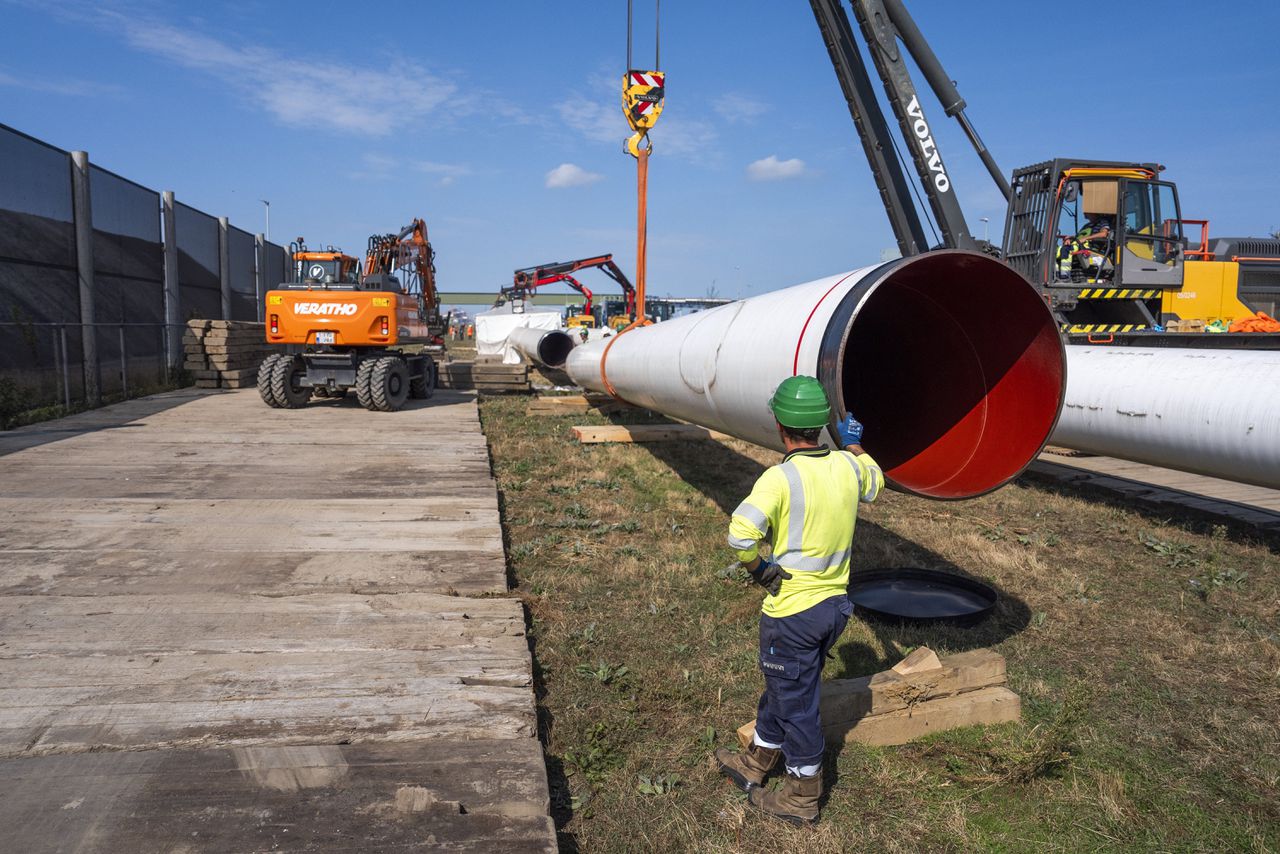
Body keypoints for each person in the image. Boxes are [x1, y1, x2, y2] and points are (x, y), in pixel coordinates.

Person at [714, 375, 883, 826]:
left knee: (797, 706)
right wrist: (854, 446)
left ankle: (802, 797)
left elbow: (739, 535)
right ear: (825, 423)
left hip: (793, 614)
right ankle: (754, 764)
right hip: (834, 609)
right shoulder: (848, 467)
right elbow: (874, 482)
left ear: (778, 424)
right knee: (786, 688)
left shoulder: (779, 478)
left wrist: (761, 570)